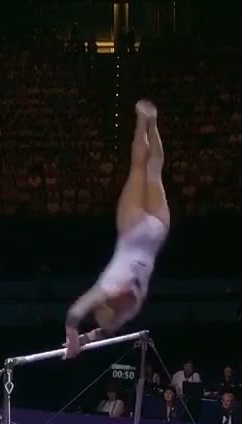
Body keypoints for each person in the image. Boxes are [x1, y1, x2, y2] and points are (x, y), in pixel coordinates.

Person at [65, 100, 170, 358]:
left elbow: (79, 316)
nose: (115, 325)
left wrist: (75, 341)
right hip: (141, 232)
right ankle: (146, 119)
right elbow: (77, 316)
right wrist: (77, 337)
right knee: (147, 171)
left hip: (151, 233)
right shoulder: (115, 299)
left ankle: (147, 121)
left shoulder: (112, 292)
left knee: (148, 170)